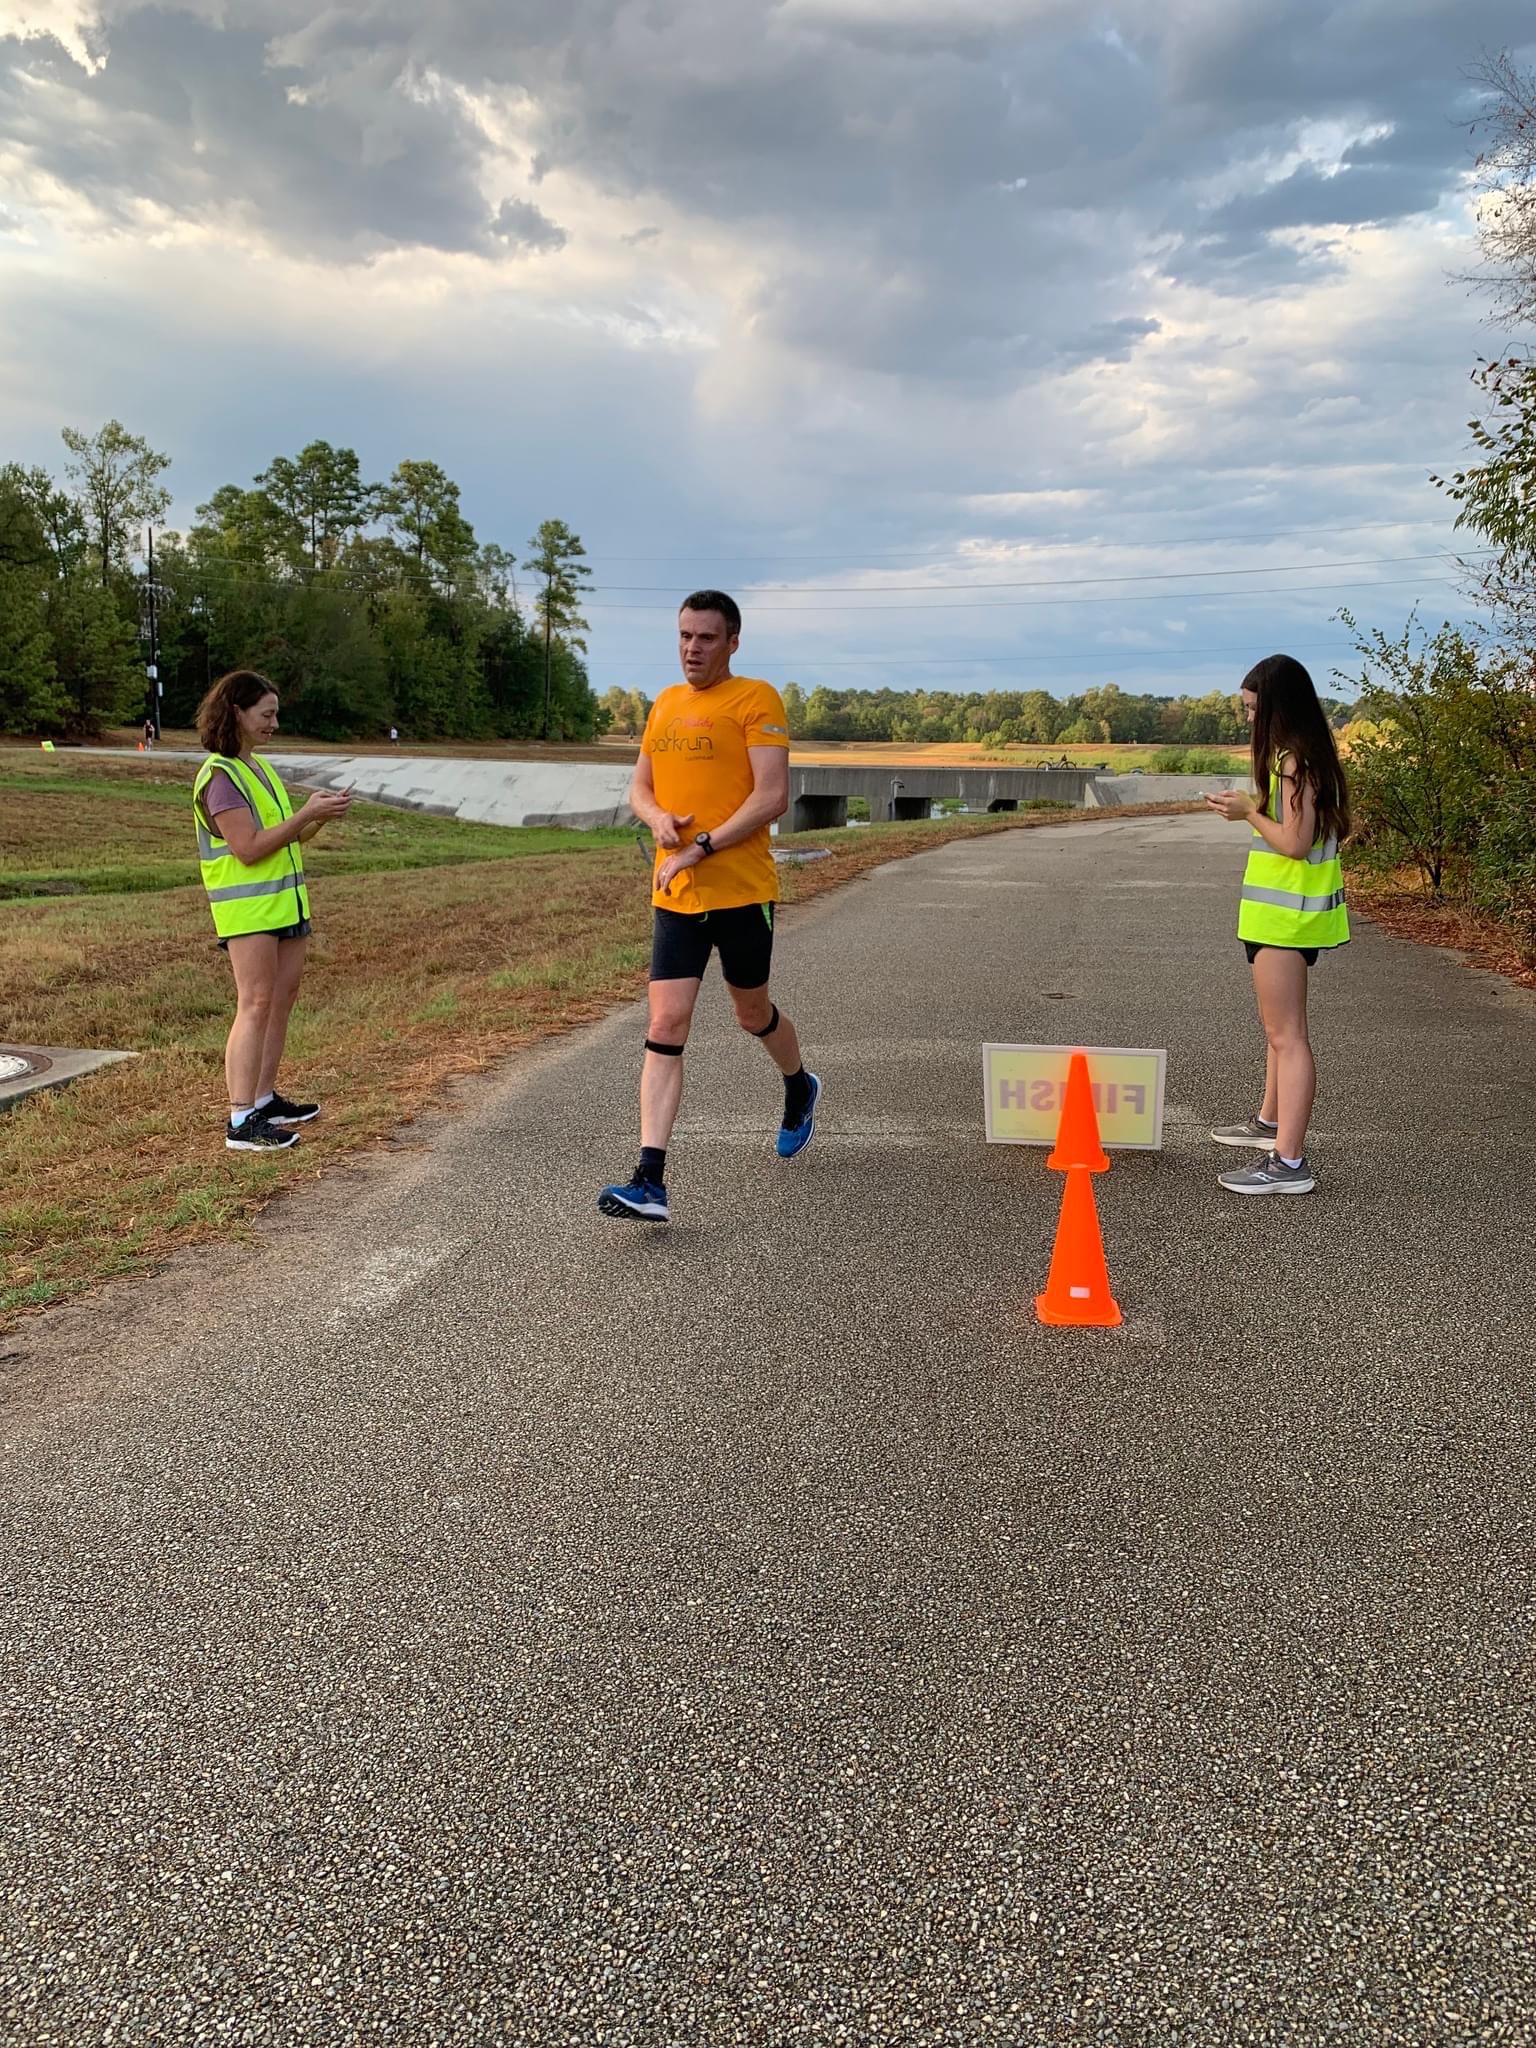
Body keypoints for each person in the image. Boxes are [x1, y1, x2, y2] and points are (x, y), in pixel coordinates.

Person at [598, 590, 820, 1224]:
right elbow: (640, 786)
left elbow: (772, 797)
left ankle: (799, 1084)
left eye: (705, 638)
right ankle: (649, 1179)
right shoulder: (665, 703)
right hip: (676, 895)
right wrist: (656, 817)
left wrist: (701, 847)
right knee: (667, 1023)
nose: (691, 649)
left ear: (732, 642)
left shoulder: (756, 699)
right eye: (684, 636)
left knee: (752, 1014)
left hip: (742, 892)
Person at [1204, 654, 1350, 1195]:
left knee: (1288, 1037)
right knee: (1278, 1032)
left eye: (1252, 708)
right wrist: (1251, 807)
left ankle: (1288, 1163)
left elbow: (1294, 843)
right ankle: (1270, 1123)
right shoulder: (1297, 760)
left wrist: (1249, 812)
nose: (1248, 718)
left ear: (1276, 708)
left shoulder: (1295, 762)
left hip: (1286, 920)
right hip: (1280, 917)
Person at [192, 669, 352, 1152]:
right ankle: (241, 1119)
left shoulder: (257, 768)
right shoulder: (221, 776)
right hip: (250, 913)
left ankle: (263, 1100)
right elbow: (247, 848)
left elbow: (284, 838)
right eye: (266, 714)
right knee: (256, 1003)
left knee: (280, 1000)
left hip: (284, 905)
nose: (274, 723)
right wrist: (306, 813)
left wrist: (317, 818)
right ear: (236, 713)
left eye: (275, 714)